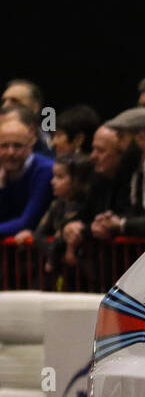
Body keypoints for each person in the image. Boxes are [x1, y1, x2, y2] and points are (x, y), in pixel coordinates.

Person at [14, 154, 93, 290]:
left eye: (60, 177)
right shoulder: (57, 205)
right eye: (54, 176)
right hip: (58, 274)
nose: (52, 181)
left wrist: (55, 251)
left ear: (78, 180)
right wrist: (56, 252)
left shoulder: (90, 207)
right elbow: (38, 235)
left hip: (85, 275)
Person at [0, 106, 54, 238]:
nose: (10, 152)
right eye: (4, 146)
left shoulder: (45, 170)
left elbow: (26, 222)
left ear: (30, 145)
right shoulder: (2, 171)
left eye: (17, 146)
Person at [3, 79, 53, 157]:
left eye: (14, 101)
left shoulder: (51, 144)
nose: (5, 106)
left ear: (35, 107)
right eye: (4, 101)